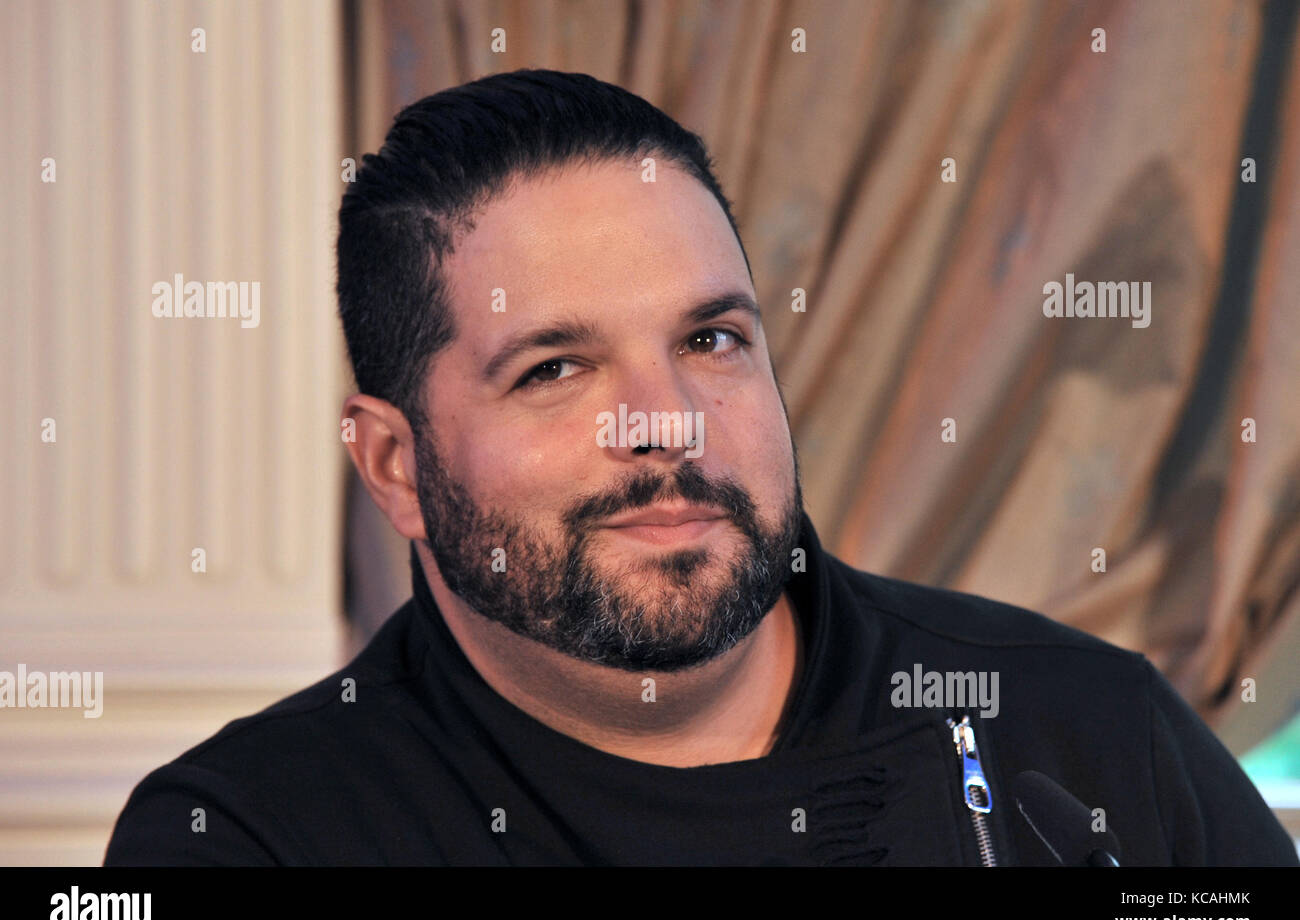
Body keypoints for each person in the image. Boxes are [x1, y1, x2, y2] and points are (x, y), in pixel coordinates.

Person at [104, 69, 1297, 866]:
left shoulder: (1088, 734)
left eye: (709, 341)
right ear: (395, 464)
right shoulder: (251, 835)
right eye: (555, 370)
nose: (667, 424)